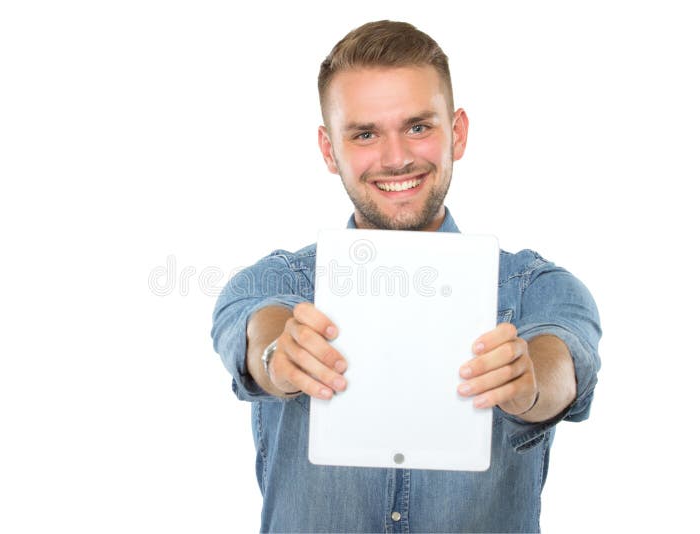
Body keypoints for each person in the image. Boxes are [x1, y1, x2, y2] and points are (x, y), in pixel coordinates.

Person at [211, 20, 601, 533]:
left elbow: (563, 363)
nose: (396, 159)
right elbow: (256, 327)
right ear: (330, 151)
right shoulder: (271, 282)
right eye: (366, 134)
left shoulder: (539, 289)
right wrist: (275, 356)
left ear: (456, 133)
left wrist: (527, 383)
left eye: (418, 127)